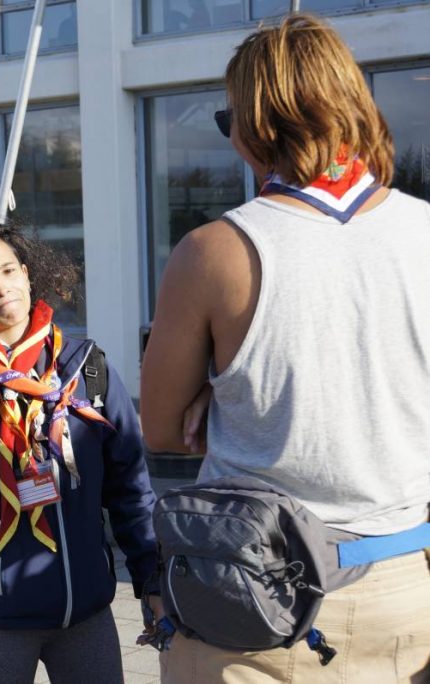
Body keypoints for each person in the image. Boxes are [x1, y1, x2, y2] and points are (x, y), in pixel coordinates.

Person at [140, 14, 430, 683]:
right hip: (405, 589)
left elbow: (161, 427)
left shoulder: (215, 252)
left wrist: (228, 389)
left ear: (251, 129)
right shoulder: (421, 231)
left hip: (252, 597)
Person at [0, 221, 159, 684]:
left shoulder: (87, 367)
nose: (0, 287)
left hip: (85, 614)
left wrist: (151, 578)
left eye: (9, 269)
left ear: (29, 273)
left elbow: (130, 487)